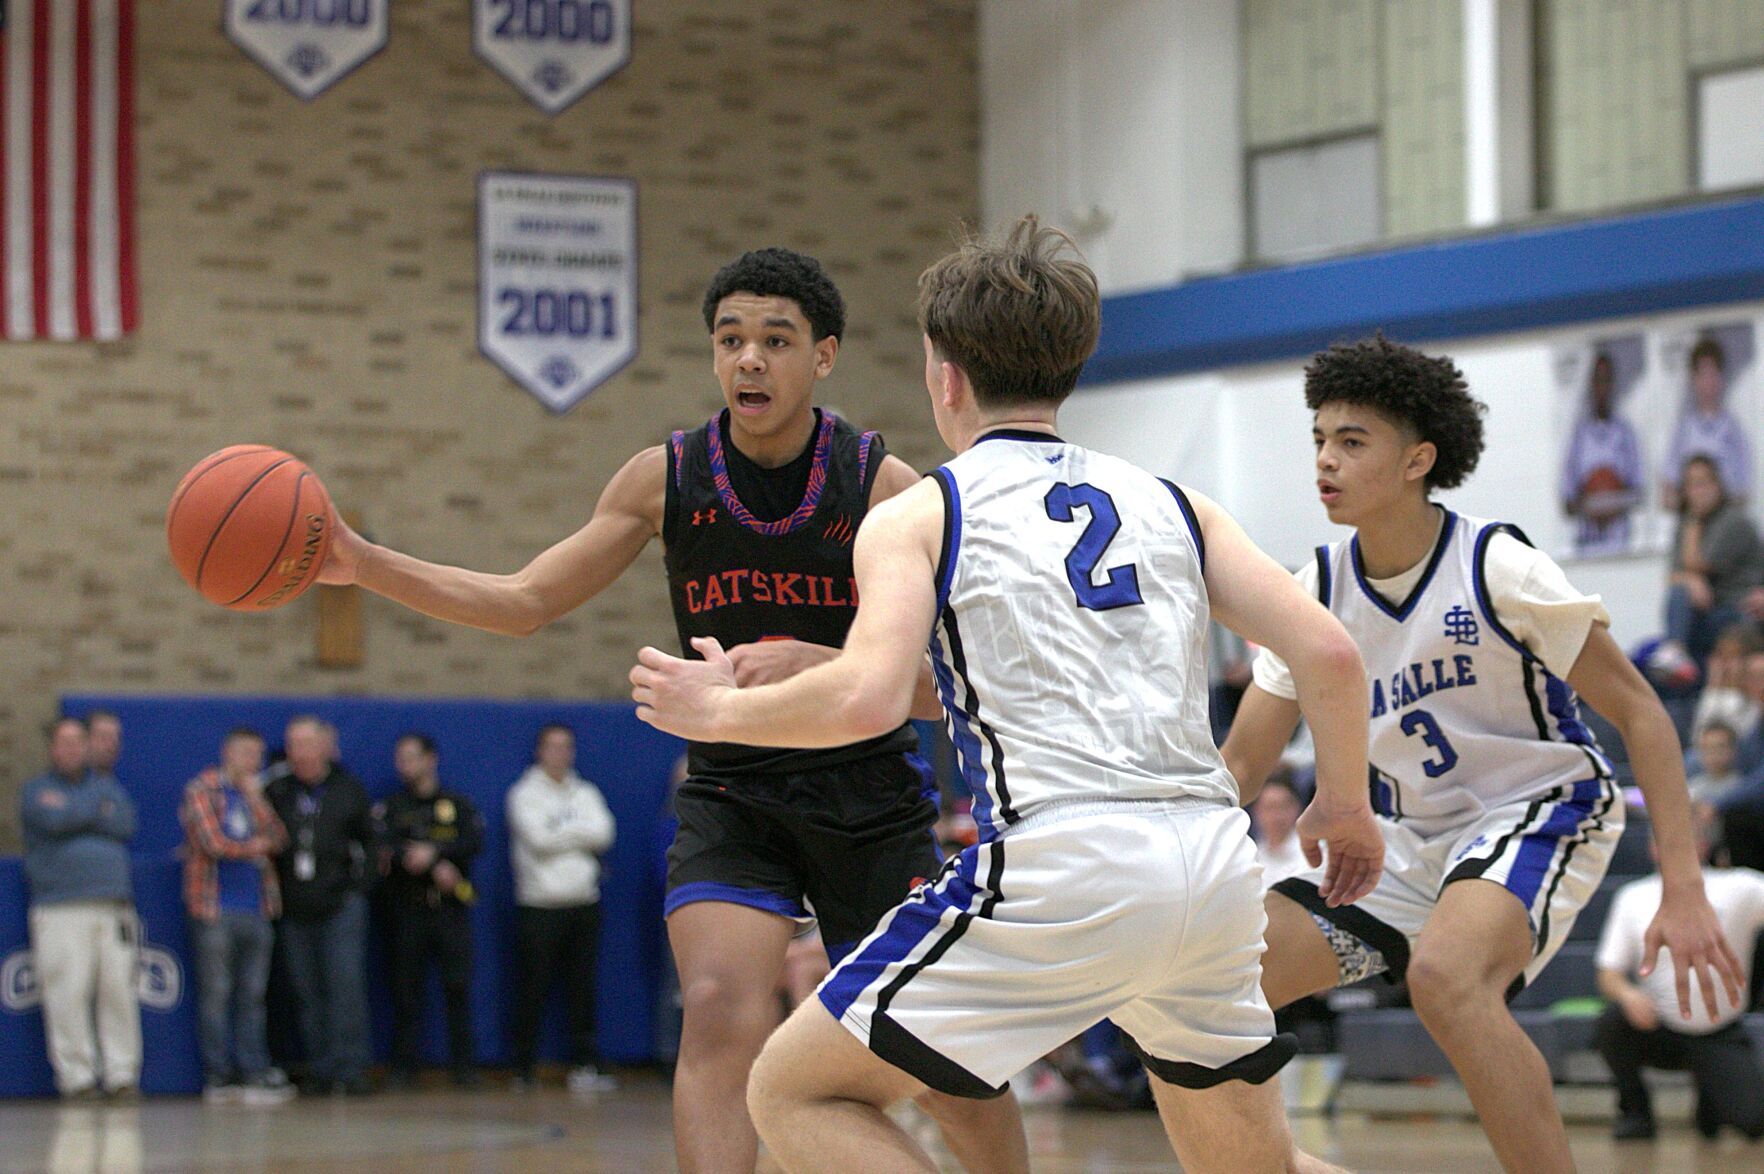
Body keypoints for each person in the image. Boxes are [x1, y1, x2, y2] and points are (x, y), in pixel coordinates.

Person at [629, 216, 1384, 1174]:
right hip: (1211, 871)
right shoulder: (1174, 503)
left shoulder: (924, 510)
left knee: (792, 1089)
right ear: (1071, 366)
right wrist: (1347, 802)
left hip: (1061, 862)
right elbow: (1330, 651)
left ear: (943, 373)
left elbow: (866, 697)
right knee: (1256, 1166)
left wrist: (719, 712)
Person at [316, 247, 1029, 1172]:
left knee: (944, 1053)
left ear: (824, 357)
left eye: (776, 340)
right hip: (733, 790)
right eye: (730, 340)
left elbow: (956, 690)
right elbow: (526, 601)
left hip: (868, 796)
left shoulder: (885, 491)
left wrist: (827, 663)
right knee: (721, 1011)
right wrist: (365, 562)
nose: (748, 361)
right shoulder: (666, 479)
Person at [1221, 335, 1745, 1174]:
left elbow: (1643, 714)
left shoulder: (1495, 565)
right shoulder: (1311, 589)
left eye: (1352, 442)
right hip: (1404, 842)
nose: (1325, 459)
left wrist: (1681, 888)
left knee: (1446, 978)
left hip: (1540, 809)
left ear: (1416, 460)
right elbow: (1240, 769)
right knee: (1210, 986)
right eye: (1319, 439)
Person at [1594, 822, 1764, 1141]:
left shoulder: (1741, 885)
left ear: (1701, 846)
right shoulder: (1633, 896)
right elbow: (1608, 973)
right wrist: (1629, 995)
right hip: (1661, 1028)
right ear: (1651, 848)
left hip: (1719, 1032)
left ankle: (1710, 1094)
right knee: (1611, 1023)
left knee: (1752, 1121)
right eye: (1660, 842)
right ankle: (1635, 1112)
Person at [20, 717, 141, 1100]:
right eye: (65, 743)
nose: (73, 750)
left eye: (79, 742)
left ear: (89, 748)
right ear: (53, 749)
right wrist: (93, 810)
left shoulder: (109, 787)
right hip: (61, 908)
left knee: (118, 991)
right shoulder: (36, 791)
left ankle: (121, 1075)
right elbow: (54, 821)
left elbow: (124, 824)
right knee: (67, 993)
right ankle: (78, 1079)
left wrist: (80, 809)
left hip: (113, 907)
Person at [179, 727, 294, 1105]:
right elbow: (212, 843)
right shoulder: (203, 790)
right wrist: (253, 848)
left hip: (257, 908)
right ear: (227, 752)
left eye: (257, 755)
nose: (253, 762)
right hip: (216, 908)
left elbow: (279, 838)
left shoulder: (254, 795)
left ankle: (254, 1071)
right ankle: (219, 1074)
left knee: (253, 995)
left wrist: (255, 800)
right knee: (217, 993)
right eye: (246, 753)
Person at [264, 716, 375, 1096]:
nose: (300, 753)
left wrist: (357, 890)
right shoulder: (278, 790)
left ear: (326, 747)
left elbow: (373, 845)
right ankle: (321, 1068)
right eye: (293, 745)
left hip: (339, 904)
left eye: (308, 744)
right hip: (295, 907)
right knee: (305, 992)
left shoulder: (348, 789)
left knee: (345, 987)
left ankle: (350, 1068)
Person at [505, 723, 615, 1092]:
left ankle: (585, 1066)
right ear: (540, 751)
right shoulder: (524, 793)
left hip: (583, 903)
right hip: (539, 905)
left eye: (566, 747)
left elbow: (604, 833)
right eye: (552, 747)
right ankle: (523, 1067)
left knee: (582, 989)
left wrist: (562, 832)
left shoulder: (585, 791)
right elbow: (537, 840)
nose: (560, 754)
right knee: (532, 988)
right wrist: (577, 834)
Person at [375, 733, 485, 1089]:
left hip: (450, 908)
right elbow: (383, 844)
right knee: (406, 989)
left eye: (411, 757)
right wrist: (414, 858)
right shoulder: (392, 806)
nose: (404, 765)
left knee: (457, 986)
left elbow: (473, 841)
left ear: (430, 759)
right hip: (409, 909)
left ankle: (464, 1066)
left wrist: (438, 855)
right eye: (400, 758)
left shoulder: (456, 803)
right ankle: (404, 1067)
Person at [1648, 455, 1762, 684]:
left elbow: (1698, 564)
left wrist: (1691, 519)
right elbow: (1673, 576)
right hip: (1712, 610)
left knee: (1688, 595)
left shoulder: (1732, 520)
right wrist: (1690, 580)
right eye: (1692, 484)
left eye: (1704, 483)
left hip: (1741, 609)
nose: (1699, 491)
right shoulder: (1685, 526)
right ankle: (1675, 653)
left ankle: (1678, 655)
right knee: (1679, 593)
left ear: (1718, 485)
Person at [1560, 352, 1644, 557]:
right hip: (1587, 537)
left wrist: (1611, 498)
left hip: (1621, 537)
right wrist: (1592, 498)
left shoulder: (1625, 432)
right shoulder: (1579, 434)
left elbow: (1638, 492)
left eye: (1606, 380)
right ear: (1590, 385)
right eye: (1597, 380)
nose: (1602, 387)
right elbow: (1568, 501)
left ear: (1612, 384)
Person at [1662, 336, 1751, 510]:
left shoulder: (1732, 428)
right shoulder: (1684, 428)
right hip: (1692, 519)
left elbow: (1743, 492)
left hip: (1723, 516)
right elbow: (1669, 489)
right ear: (1694, 379)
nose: (1708, 382)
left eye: (1713, 374)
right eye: (1703, 375)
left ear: (1721, 377)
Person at [1250, 771, 1309, 888]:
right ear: (1256, 811)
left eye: (1283, 807)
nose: (1276, 816)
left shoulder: (1312, 854)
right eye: (1269, 807)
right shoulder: (1251, 855)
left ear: (1297, 808)